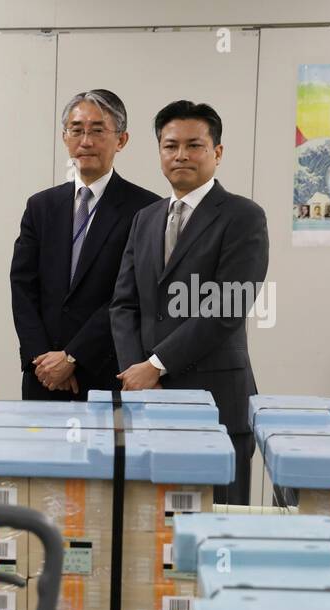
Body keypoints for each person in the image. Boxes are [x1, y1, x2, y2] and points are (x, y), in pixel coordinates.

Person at [110, 100, 268, 505]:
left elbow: (225, 308)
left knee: (221, 522)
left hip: (216, 403)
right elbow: (124, 304)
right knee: (154, 529)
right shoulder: (145, 218)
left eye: (194, 145)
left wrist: (156, 364)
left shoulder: (243, 217)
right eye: (170, 145)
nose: (181, 155)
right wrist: (136, 372)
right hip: (149, 400)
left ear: (217, 152)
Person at [10, 90, 161, 400]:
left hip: (105, 373)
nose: (86, 141)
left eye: (97, 130)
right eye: (76, 130)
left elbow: (131, 294)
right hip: (44, 376)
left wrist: (73, 357)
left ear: (122, 140)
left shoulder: (146, 210)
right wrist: (43, 358)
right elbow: (23, 287)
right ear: (65, 137)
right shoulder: (41, 206)